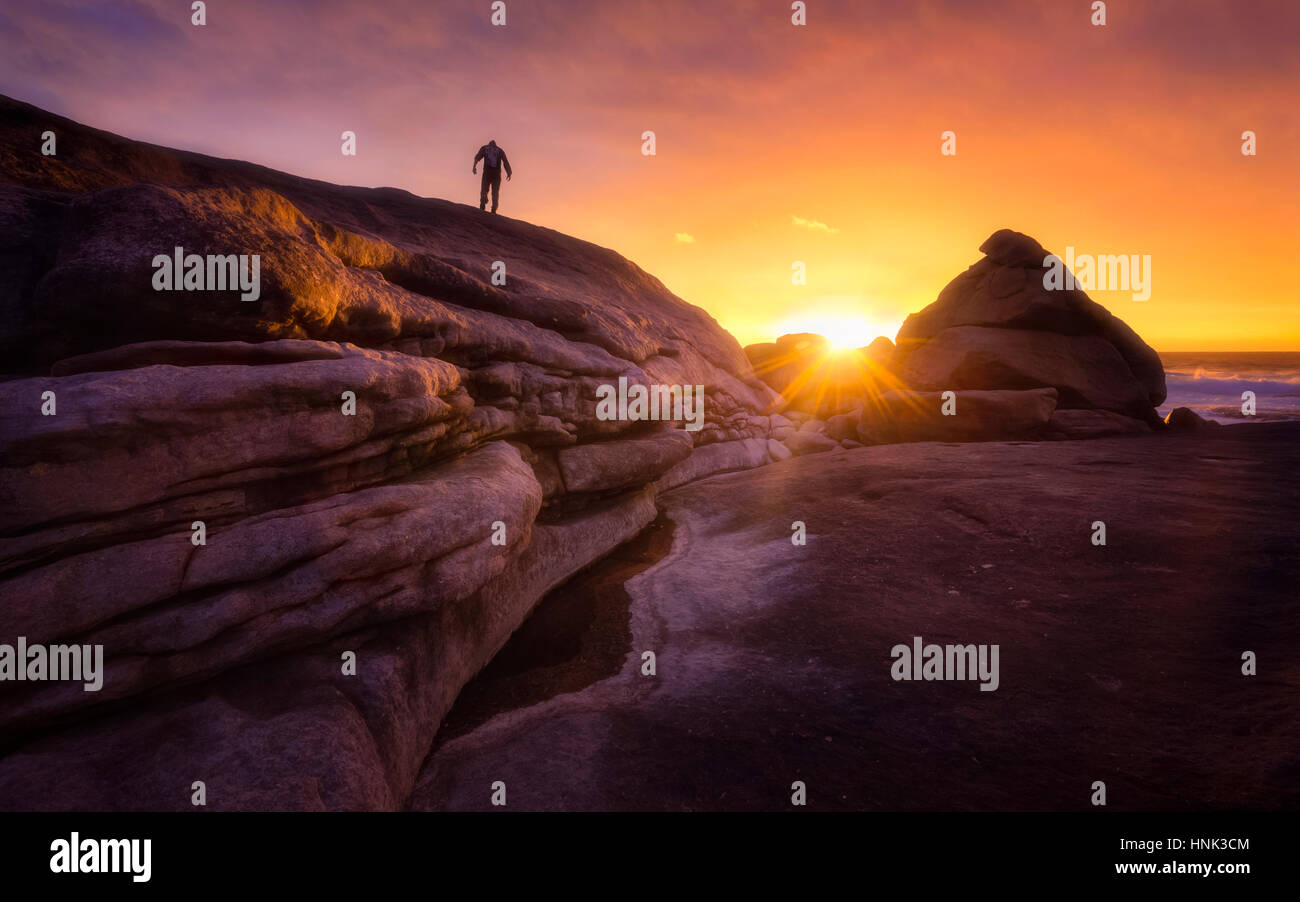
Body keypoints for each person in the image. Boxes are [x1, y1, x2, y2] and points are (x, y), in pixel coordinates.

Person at [472, 140, 512, 213]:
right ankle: (494, 208)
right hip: (496, 173)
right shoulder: (500, 150)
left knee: (484, 189)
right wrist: (509, 172)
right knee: (495, 192)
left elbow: (477, 157)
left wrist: (474, 166)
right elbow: (505, 161)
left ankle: (483, 204)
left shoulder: (485, 148)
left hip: (487, 172)